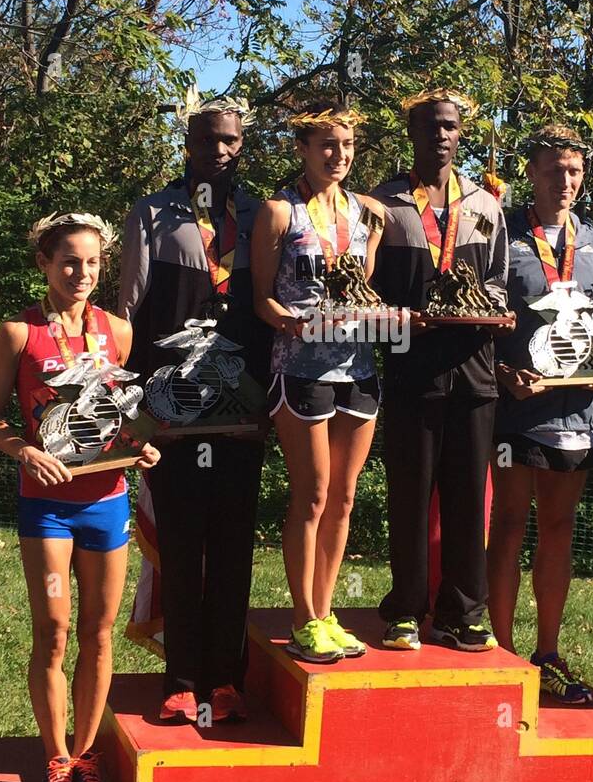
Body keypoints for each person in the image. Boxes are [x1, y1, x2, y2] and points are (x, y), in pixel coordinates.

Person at [0, 212, 160, 782]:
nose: (81, 273)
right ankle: (56, 758)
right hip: (48, 509)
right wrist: (24, 449)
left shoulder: (119, 330)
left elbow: (121, 413)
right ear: (45, 264)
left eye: (92, 262)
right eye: (68, 262)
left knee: (100, 633)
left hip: (106, 502)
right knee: (54, 632)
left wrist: (142, 441)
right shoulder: (16, 333)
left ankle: (86, 754)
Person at [117, 89, 271, 723]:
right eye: (208, 138)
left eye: (230, 139)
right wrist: (132, 410)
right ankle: (180, 679)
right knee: (182, 547)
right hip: (173, 415)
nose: (220, 149)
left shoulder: (263, 216)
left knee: (233, 548)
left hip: (244, 414)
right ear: (187, 141)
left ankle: (227, 680)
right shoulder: (152, 213)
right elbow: (127, 313)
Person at [370, 88, 513, 653]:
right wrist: (404, 318)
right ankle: (405, 609)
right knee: (409, 495)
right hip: (411, 372)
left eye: (450, 126)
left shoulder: (485, 204)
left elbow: (500, 279)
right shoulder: (381, 204)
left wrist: (483, 305)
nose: (441, 135)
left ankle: (464, 612)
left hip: (475, 371)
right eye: (430, 126)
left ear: (461, 133)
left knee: (466, 497)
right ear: (413, 133)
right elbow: (366, 290)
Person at [251, 101, 388, 663]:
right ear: (303, 149)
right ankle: (303, 617)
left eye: (348, 145)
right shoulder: (279, 212)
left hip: (358, 368)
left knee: (345, 497)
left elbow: (365, 293)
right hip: (301, 369)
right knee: (311, 495)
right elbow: (261, 298)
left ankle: (327, 612)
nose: (339, 155)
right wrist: (292, 320)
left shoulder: (370, 214)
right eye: (327, 145)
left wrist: (385, 317)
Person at [489, 125, 593, 702]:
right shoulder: (503, 232)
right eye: (551, 171)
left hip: (577, 406)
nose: (564, 181)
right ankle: (497, 651)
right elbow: (483, 313)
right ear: (532, 174)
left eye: (573, 171)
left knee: (559, 530)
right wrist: (498, 373)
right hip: (519, 408)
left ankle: (546, 651)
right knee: (510, 526)